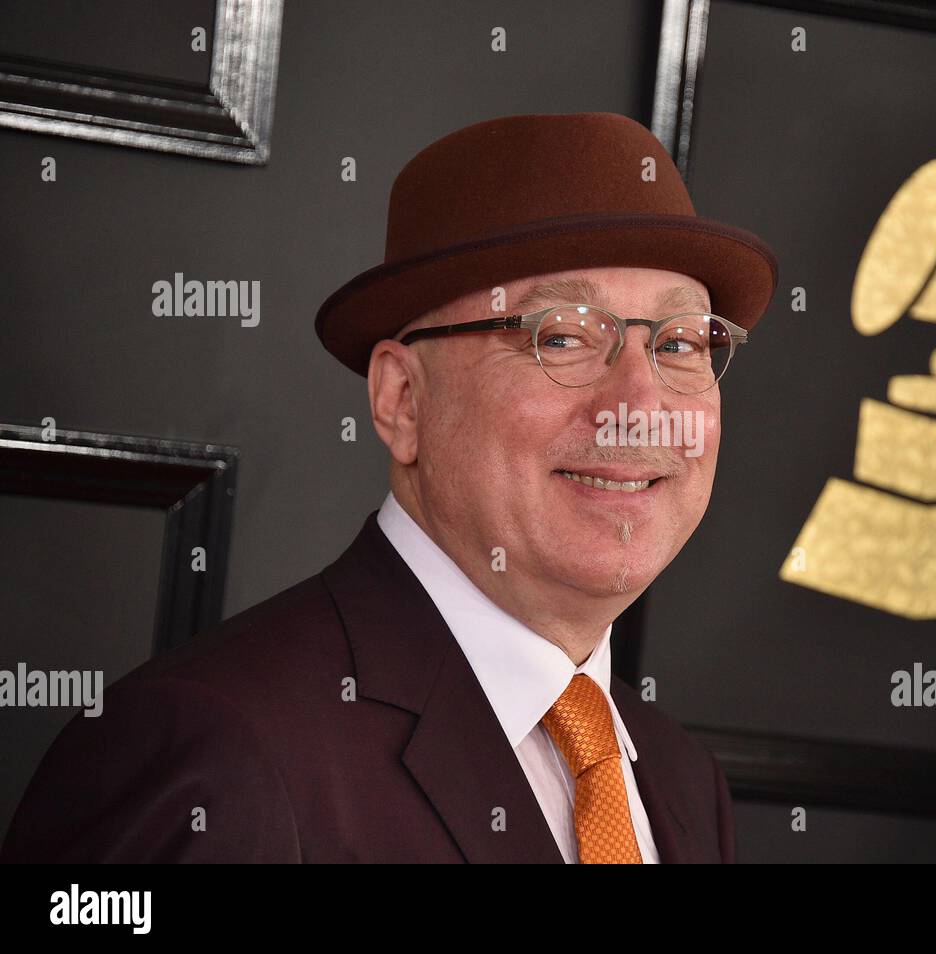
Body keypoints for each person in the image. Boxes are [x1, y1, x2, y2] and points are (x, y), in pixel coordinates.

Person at [1, 111, 779, 863]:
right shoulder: (216, 750)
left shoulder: (680, 783)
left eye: (680, 343)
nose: (640, 410)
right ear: (402, 400)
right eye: (565, 337)